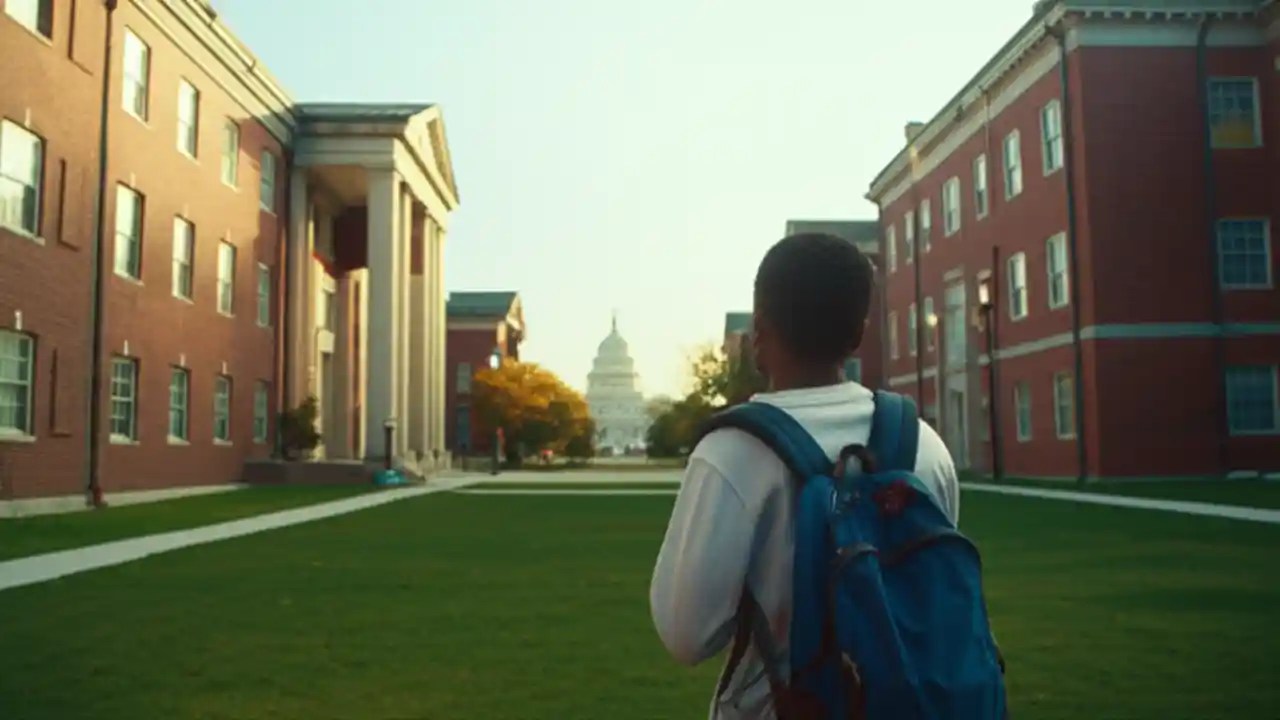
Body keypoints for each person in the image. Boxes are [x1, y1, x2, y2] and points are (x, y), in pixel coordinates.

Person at [649, 232, 961, 719]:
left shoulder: (732, 453)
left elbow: (686, 634)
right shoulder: (925, 445)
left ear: (759, 332)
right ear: (858, 333)